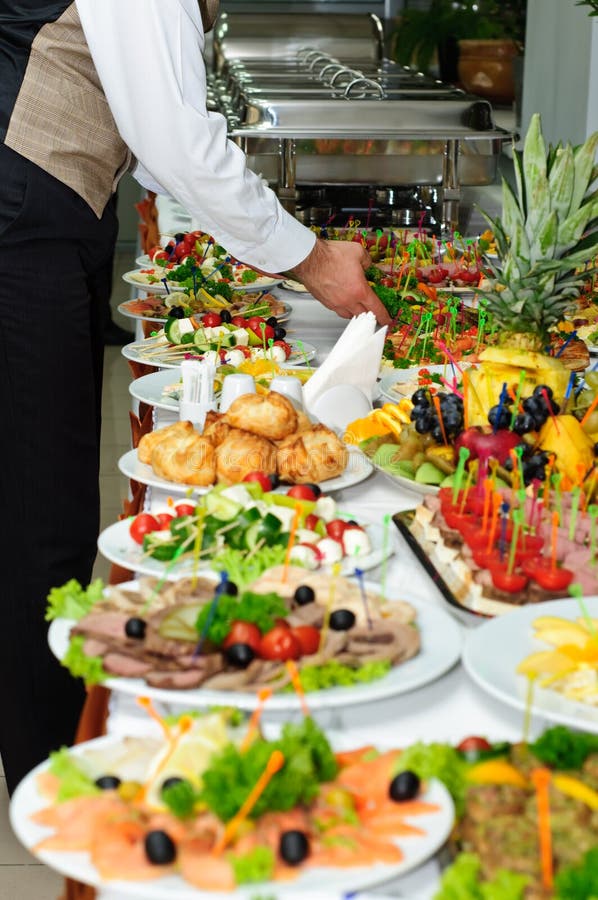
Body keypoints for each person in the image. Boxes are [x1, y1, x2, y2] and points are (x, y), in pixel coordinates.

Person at [0, 0, 390, 794]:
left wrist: (243, 225)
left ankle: (42, 736)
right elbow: (173, 137)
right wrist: (311, 259)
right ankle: (53, 773)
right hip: (25, 206)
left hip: (38, 199)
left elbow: (157, 130)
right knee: (43, 510)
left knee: (31, 497)